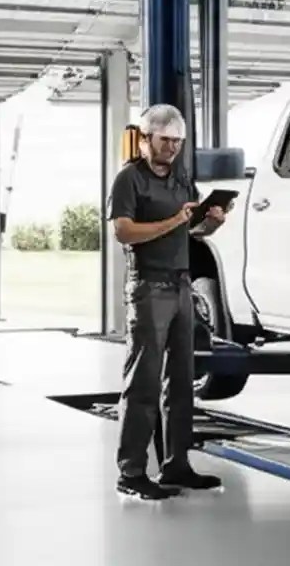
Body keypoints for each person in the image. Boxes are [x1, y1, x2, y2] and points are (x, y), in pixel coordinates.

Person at [107, 104, 228, 500]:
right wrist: (174, 222)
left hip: (180, 287)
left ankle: (177, 464)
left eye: (178, 141)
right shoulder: (129, 180)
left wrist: (211, 221)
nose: (172, 148)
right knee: (142, 384)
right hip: (148, 289)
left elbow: (192, 230)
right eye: (165, 140)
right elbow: (123, 232)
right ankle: (131, 472)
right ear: (146, 140)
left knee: (180, 383)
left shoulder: (180, 179)